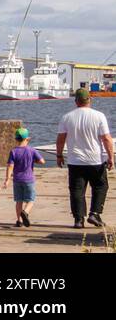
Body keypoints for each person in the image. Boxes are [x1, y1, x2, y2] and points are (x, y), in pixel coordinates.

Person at [56, 86, 115, 228]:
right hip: (95, 160)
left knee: (77, 190)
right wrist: (111, 157)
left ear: (76, 101)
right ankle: (94, 214)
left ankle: (78, 219)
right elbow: (106, 139)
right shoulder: (99, 116)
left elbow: (60, 138)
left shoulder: (67, 117)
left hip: (75, 161)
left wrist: (59, 155)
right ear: (89, 100)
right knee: (100, 186)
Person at [3, 127, 45, 227]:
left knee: (19, 201)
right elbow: (42, 161)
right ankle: (25, 212)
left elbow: (10, 166)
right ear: (27, 139)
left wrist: (7, 179)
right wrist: (33, 161)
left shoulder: (13, 151)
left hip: (17, 180)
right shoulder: (32, 150)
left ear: (16, 139)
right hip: (29, 179)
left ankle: (19, 221)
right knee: (31, 200)